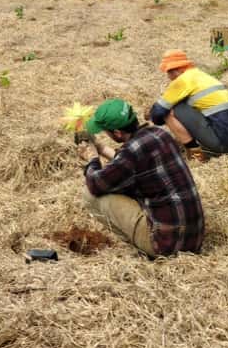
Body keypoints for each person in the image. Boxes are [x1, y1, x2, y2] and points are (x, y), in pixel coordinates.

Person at [76, 98, 204, 258]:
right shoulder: (159, 134)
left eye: (106, 131)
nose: (105, 134)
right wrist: (101, 149)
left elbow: (96, 184)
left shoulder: (131, 153)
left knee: (90, 195)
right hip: (193, 239)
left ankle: (140, 246)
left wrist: (92, 159)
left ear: (117, 133)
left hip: (165, 245)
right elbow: (131, 163)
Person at [150, 50, 228, 156]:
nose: (168, 77)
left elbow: (157, 113)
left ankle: (196, 154)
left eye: (168, 72)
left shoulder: (183, 80)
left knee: (171, 110)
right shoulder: (203, 76)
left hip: (221, 144)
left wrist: (151, 114)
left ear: (176, 70)